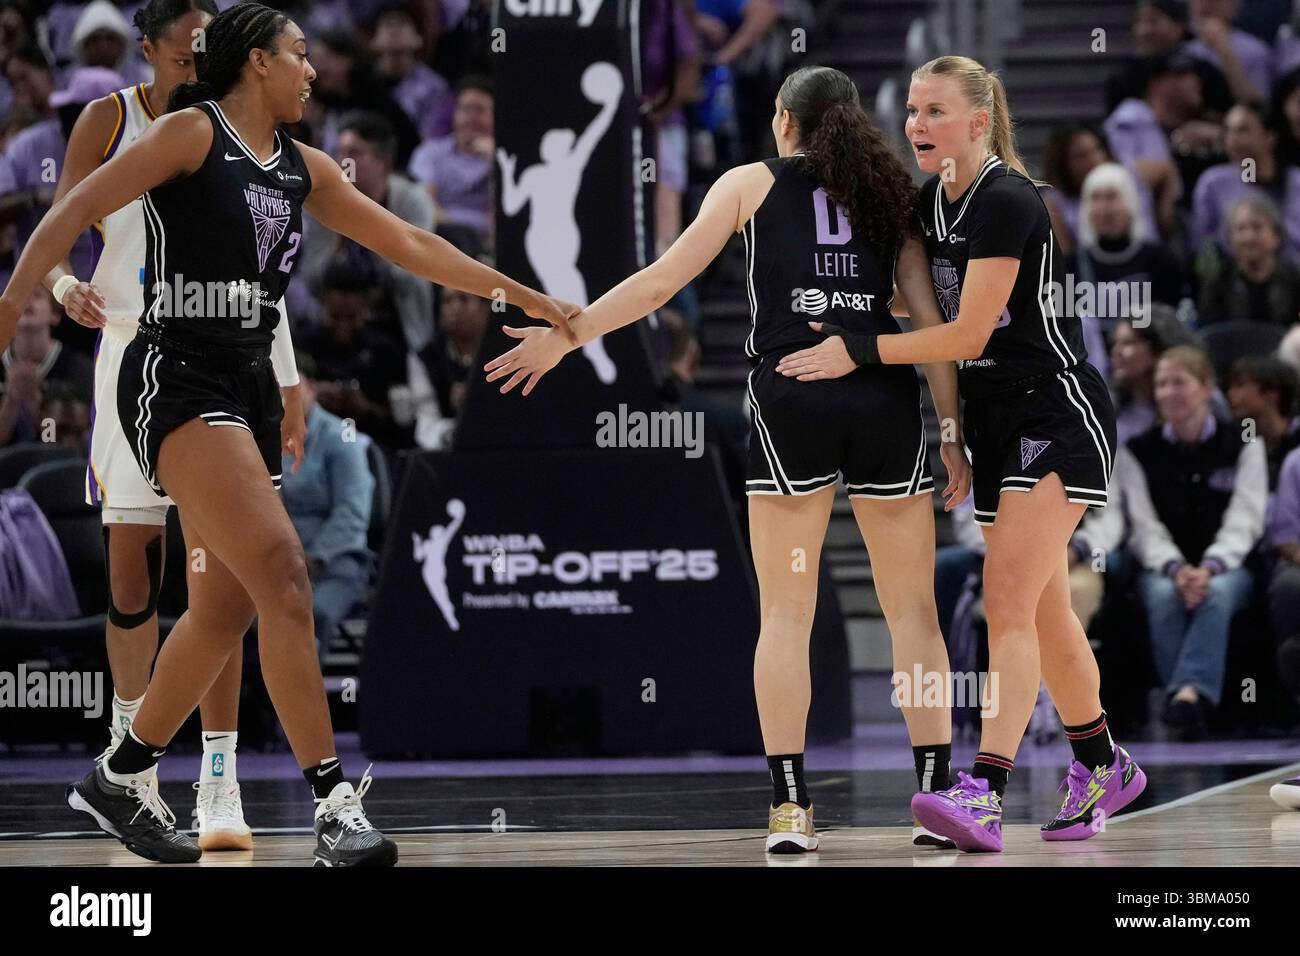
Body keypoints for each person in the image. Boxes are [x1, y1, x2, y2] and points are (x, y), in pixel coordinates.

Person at [0, 1, 577, 866]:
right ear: (258, 64)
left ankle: (120, 775)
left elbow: (410, 242)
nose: (313, 70)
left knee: (227, 606)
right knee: (284, 572)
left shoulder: (304, 167)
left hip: (249, 383)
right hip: (173, 373)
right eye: (299, 55)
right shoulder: (190, 135)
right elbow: (73, 206)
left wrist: (522, 295)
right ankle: (332, 803)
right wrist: (14, 304)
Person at [486, 65, 972, 854]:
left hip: (791, 404)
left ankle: (789, 807)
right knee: (913, 611)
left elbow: (661, 283)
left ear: (785, 122)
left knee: (785, 612)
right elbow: (931, 325)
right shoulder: (895, 200)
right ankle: (937, 793)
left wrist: (566, 335)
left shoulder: (749, 183)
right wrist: (951, 432)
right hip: (882, 402)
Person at [764, 55, 1145, 851]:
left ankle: (986, 791)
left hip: (1055, 409)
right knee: (1042, 612)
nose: (915, 125)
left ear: (980, 120)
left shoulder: (1007, 199)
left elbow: (968, 333)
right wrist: (950, 430)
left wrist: (857, 350)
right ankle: (1104, 762)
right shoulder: (930, 201)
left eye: (935, 111)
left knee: (1006, 602)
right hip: (990, 418)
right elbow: (925, 314)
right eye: (909, 110)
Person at [38, 0, 298, 853]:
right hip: (130, 345)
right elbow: (67, 220)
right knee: (131, 569)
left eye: (206, 41)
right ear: (148, 49)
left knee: (215, 570)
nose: (196, 53)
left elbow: (260, 272)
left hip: (224, 357)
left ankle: (217, 781)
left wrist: (287, 379)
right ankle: (132, 768)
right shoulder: (113, 121)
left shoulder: (236, 131)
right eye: (183, 43)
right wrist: (48, 292)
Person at [1117, 346, 1265, 740]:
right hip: (1165, 567)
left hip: (1229, 567)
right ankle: (1188, 699)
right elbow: (1144, 526)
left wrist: (1211, 566)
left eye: (1179, 382)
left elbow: (1246, 519)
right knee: (1164, 595)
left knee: (1215, 594)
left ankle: (1183, 697)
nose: (1168, 392)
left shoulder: (1245, 443)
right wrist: (1176, 568)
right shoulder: (1137, 451)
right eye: (1162, 384)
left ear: (1206, 388)